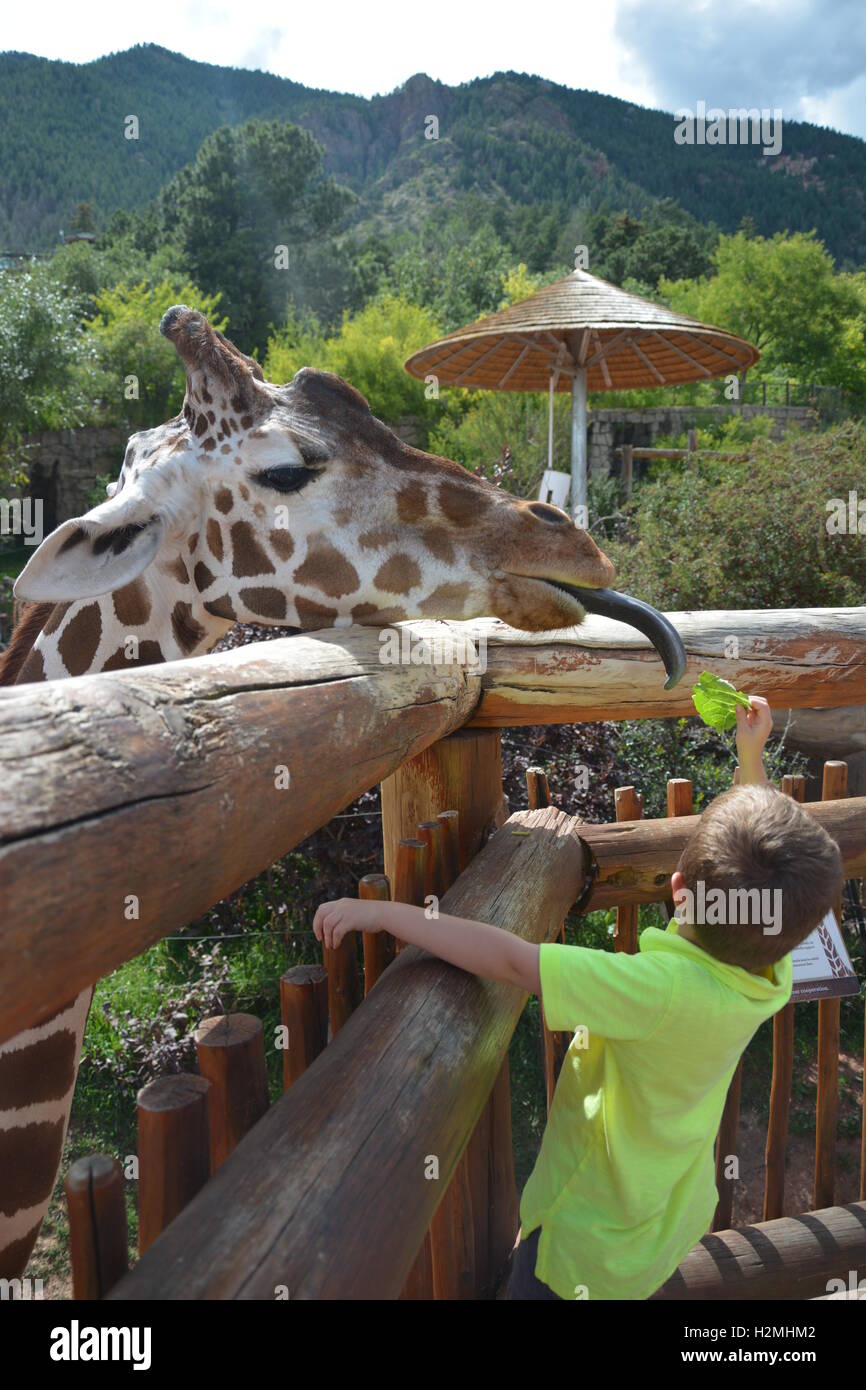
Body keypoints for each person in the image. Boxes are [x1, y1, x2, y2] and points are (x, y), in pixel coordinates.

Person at [312, 695, 844, 1300]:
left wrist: (389, 913)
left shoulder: (658, 992)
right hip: (656, 1229)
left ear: (676, 892)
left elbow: (511, 958)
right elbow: (768, 885)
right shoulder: (764, 975)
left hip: (578, 1251)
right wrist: (752, 757)